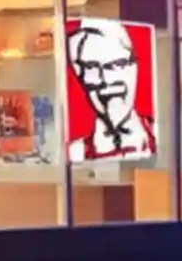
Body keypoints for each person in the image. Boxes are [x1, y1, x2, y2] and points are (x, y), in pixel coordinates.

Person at [66, 19, 155, 162]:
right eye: (91, 67)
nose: (106, 80)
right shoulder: (74, 154)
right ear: (80, 76)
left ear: (135, 67)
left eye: (117, 64)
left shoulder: (166, 137)